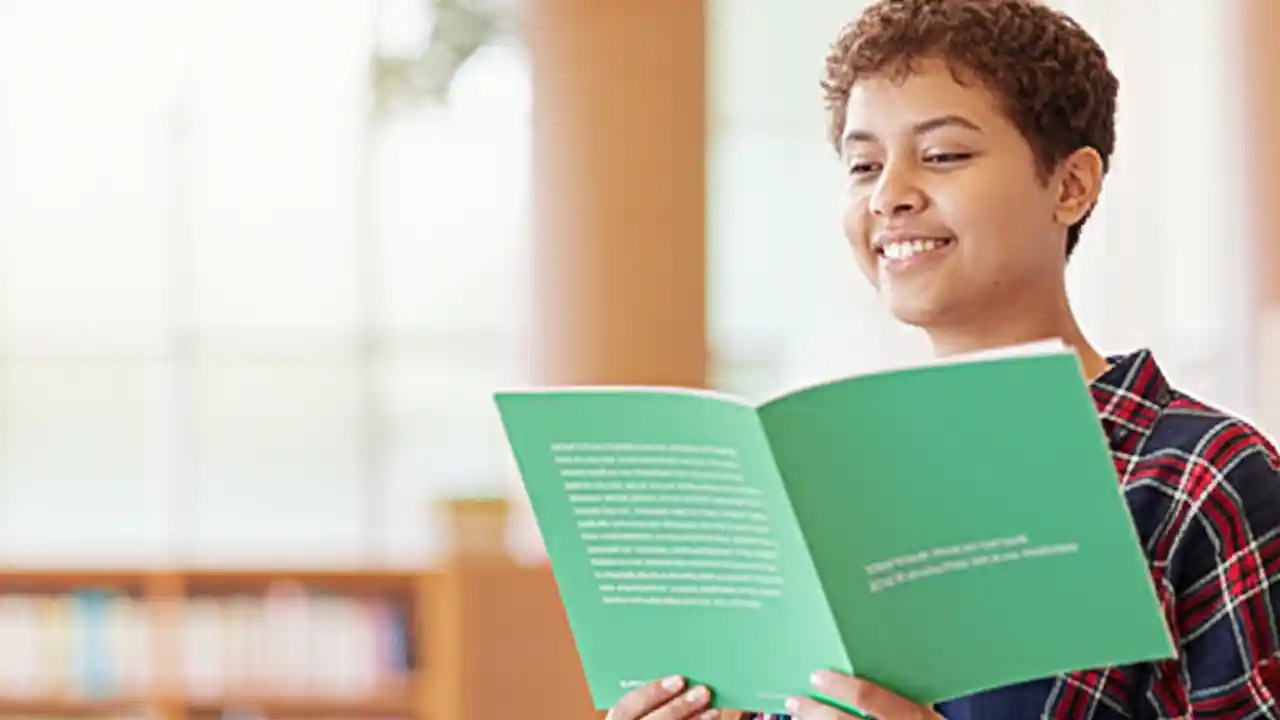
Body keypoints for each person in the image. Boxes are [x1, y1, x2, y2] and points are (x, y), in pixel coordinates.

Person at [602, 0, 1280, 718]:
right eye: (863, 164)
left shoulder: (1199, 479)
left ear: (1071, 185)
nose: (889, 196)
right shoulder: (819, 489)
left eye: (943, 155)